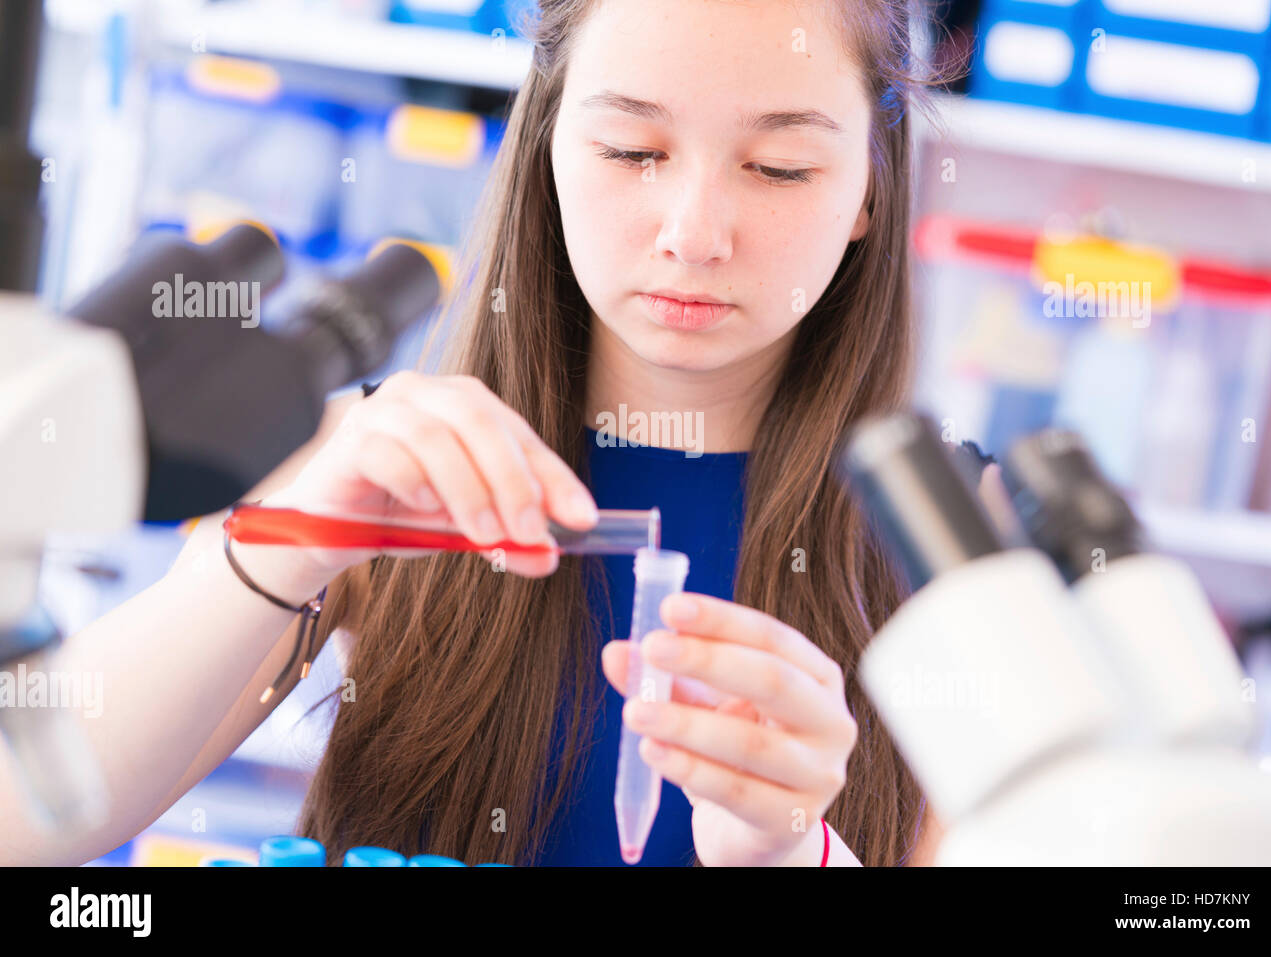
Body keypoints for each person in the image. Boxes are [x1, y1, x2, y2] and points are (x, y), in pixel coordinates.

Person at [0, 0, 999, 866]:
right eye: (632, 150)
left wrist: (791, 852)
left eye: (779, 167)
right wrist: (279, 546)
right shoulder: (378, 455)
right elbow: (22, 817)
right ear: (549, 140)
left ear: (869, 182)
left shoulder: (965, 539)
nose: (694, 233)